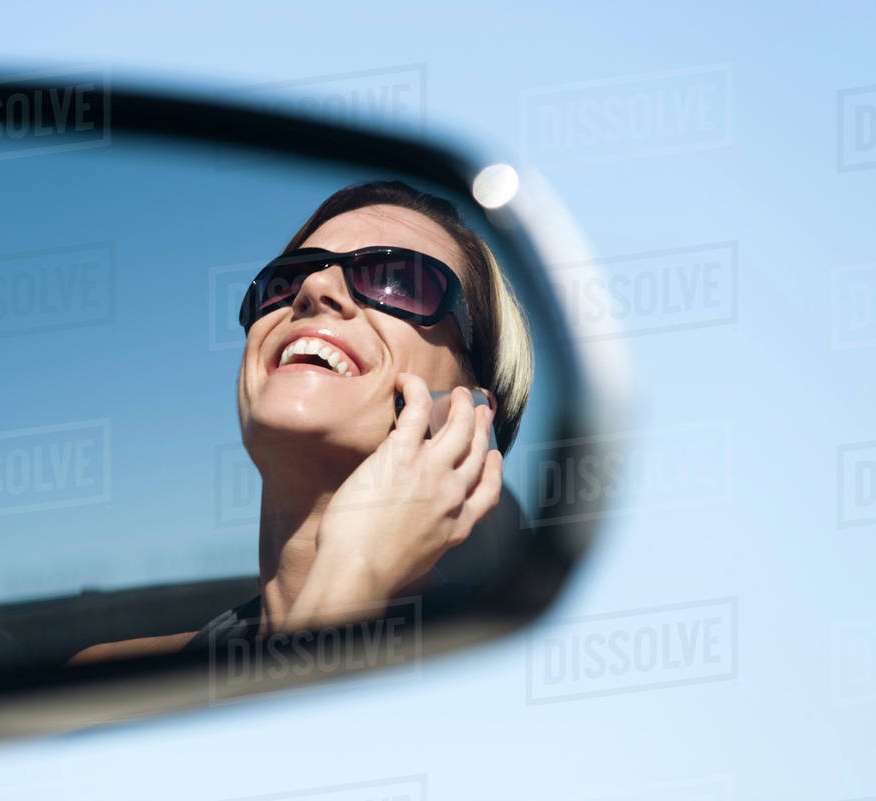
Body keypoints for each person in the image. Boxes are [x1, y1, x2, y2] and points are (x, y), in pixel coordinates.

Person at [69, 180, 532, 664]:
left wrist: (356, 567)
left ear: (469, 410)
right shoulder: (106, 677)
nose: (314, 288)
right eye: (286, 280)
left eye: (396, 280)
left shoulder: (506, 656)